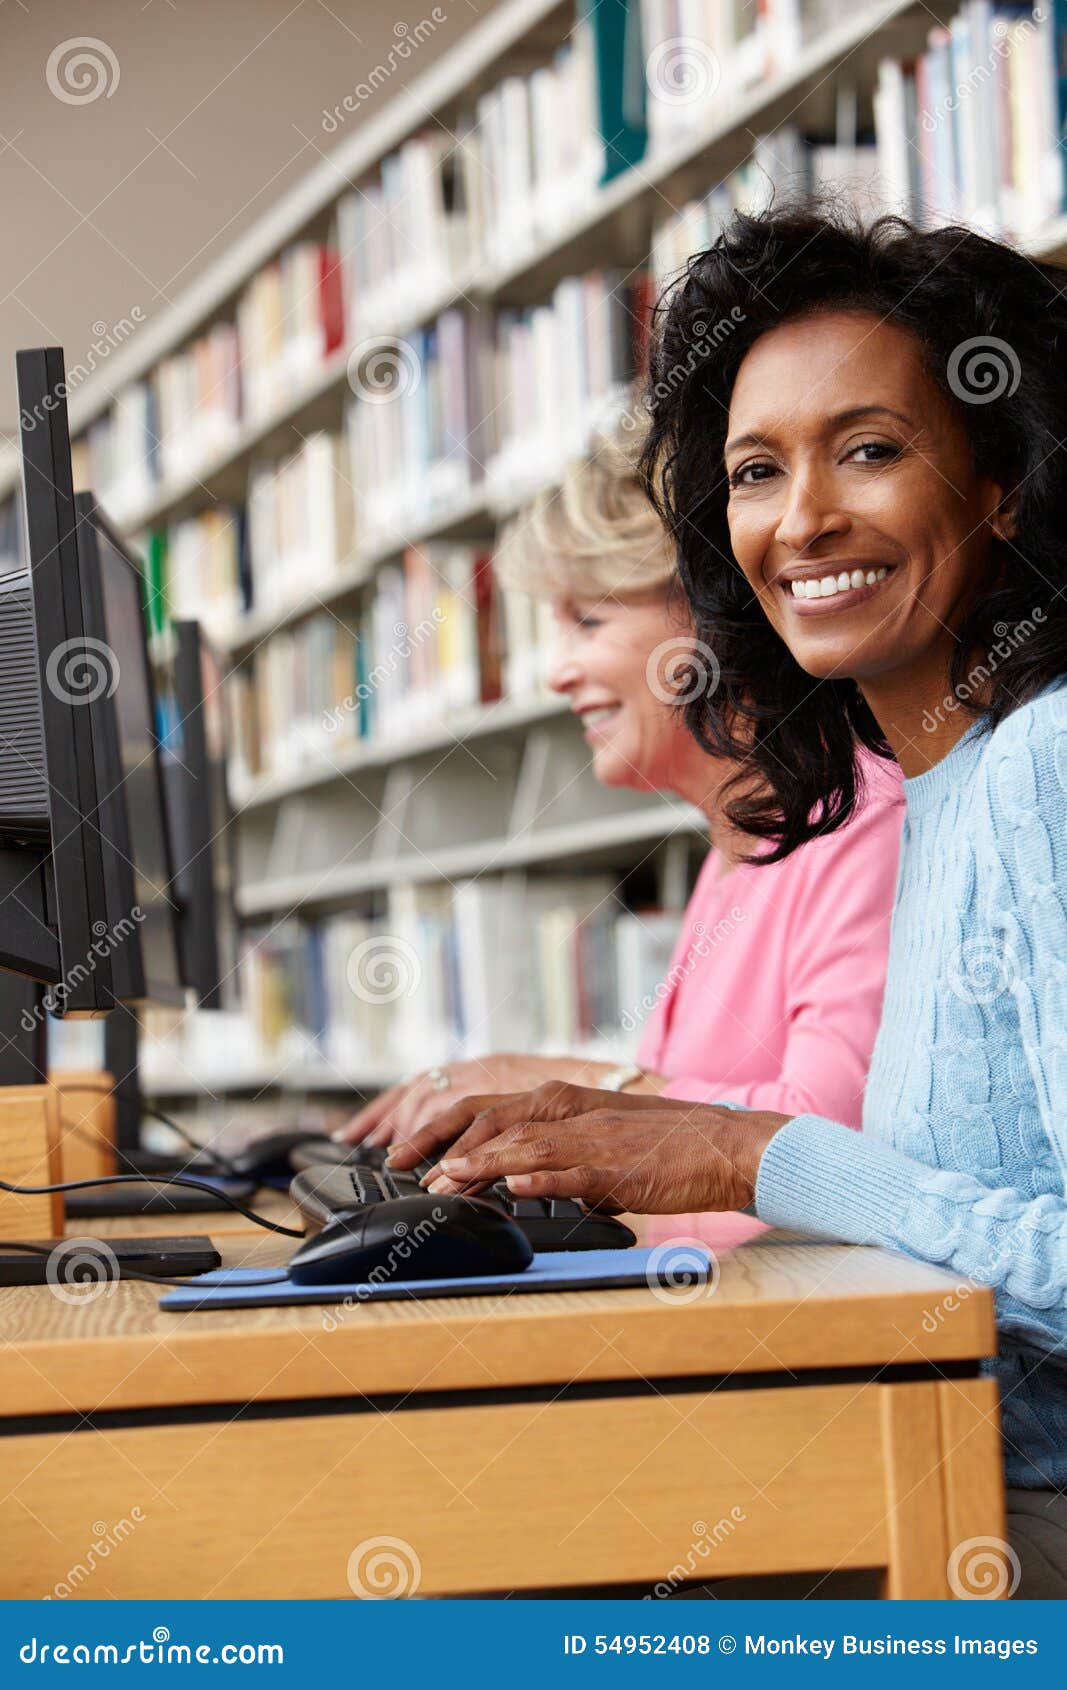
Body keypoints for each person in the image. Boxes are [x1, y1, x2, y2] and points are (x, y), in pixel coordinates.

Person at [389, 200, 1067, 1596]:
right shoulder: (931, 784)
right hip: (922, 1462)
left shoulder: (1039, 764)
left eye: (866, 451)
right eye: (754, 472)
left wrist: (747, 1151)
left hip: (1004, 1516)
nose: (802, 517)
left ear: (996, 479)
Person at [336, 419, 904, 1251]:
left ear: (716, 617)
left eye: (588, 623)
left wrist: (573, 1089)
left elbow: (835, 1149)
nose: (555, 672)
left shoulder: (861, 820)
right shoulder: (739, 847)